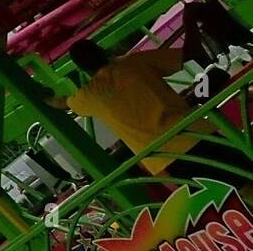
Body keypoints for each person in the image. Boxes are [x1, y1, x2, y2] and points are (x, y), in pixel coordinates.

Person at [52, 39, 251, 188]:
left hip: (164, 157)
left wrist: (41, 93)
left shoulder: (89, 95)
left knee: (226, 200)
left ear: (83, 69)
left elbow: (61, 103)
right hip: (195, 134)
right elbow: (184, 55)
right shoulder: (135, 62)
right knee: (247, 177)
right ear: (102, 51)